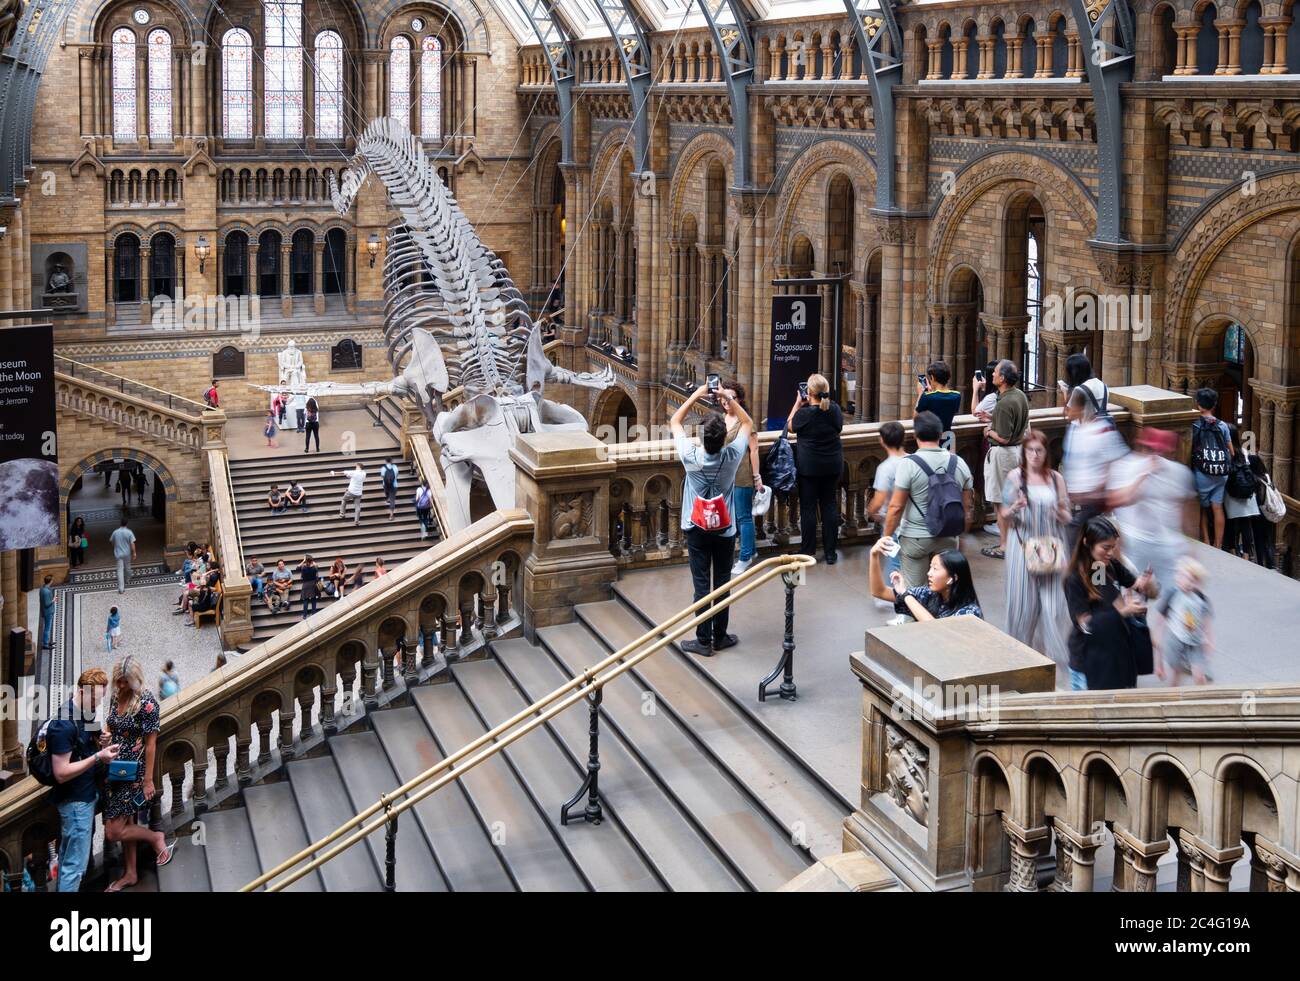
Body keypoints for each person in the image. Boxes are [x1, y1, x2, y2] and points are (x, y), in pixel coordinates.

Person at [672, 382, 752, 657]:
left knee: (701, 585)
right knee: (723, 583)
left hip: (695, 527)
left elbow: (675, 420)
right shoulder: (731, 456)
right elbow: (747, 422)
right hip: (724, 529)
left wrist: (698, 393)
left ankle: (703, 640)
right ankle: (720, 635)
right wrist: (724, 396)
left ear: (703, 438)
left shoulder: (691, 456)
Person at [1000, 430, 1072, 667]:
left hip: (1050, 545)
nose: (1034, 455)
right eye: (1029, 450)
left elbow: (1067, 515)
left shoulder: (1055, 479)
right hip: (1022, 547)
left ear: (1045, 453)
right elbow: (1003, 515)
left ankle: (1046, 656)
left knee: (1053, 606)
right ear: (1024, 452)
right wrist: (1015, 507)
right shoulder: (1014, 478)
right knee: (1023, 605)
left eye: (1038, 450)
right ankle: (1020, 656)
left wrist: (1059, 512)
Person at [102, 655, 174, 891]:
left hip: (133, 773)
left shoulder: (147, 703)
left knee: (113, 832)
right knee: (127, 821)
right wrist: (105, 734)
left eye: (124, 682)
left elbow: (151, 744)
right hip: (115, 769)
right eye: (118, 681)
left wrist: (148, 781)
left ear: (134, 680)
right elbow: (111, 724)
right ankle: (131, 873)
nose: (120, 686)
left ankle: (155, 838)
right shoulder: (116, 695)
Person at [1062, 516, 1158, 691]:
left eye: (1113, 547)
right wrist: (1123, 612)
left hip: (1113, 654)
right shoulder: (1074, 579)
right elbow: (1086, 625)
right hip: (1088, 660)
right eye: (1105, 548)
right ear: (1087, 543)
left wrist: (1146, 584)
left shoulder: (1105, 566)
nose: (1111, 553)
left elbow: (1139, 587)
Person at [884, 411, 974, 590]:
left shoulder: (908, 464)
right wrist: (960, 535)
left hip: (916, 538)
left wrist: (887, 537)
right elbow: (968, 507)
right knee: (945, 593)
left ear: (915, 435)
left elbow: (895, 507)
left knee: (915, 594)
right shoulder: (959, 463)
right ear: (941, 435)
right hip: (948, 536)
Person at [48, 667, 118, 893]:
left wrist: (103, 739)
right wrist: (98, 756)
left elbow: (94, 740)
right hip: (75, 803)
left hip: (86, 795)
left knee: (72, 861)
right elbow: (61, 772)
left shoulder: (85, 713)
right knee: (74, 867)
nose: (98, 705)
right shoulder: (63, 723)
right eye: (96, 699)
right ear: (81, 691)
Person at [1107, 427, 1196, 597]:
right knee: (1133, 596)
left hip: (1167, 545)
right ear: (1143, 447)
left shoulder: (1180, 473)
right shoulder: (1126, 466)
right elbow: (1116, 500)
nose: (1157, 455)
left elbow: (1185, 511)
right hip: (1134, 542)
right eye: (1152, 449)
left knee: (1177, 595)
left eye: (1163, 451)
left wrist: (1190, 545)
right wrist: (1144, 475)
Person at [1061, 366, 1127, 546]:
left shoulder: (1101, 430)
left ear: (1082, 408)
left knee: (1075, 538)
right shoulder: (1076, 429)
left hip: (1094, 500)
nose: (1069, 409)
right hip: (1078, 500)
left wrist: (1100, 487)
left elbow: (1117, 462)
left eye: (1072, 405)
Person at [788, 373, 844, 565]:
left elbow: (789, 426)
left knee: (808, 508)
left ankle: (808, 550)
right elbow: (839, 428)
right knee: (829, 506)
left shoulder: (804, 413)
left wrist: (797, 403)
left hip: (810, 468)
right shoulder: (835, 409)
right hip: (832, 465)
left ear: (809, 392)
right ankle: (830, 553)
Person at [981, 360, 1029, 560]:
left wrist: (989, 430)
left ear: (1002, 379)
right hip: (1017, 451)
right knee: (1013, 500)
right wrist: (992, 417)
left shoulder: (1004, 402)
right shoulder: (1019, 395)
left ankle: (1004, 545)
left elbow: (1005, 437)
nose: (992, 375)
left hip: (1003, 454)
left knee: (1001, 502)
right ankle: (1014, 541)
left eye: (996, 373)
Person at [868, 539, 983, 621]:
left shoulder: (970, 613)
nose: (929, 573)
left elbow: (935, 628)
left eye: (935, 569)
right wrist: (874, 555)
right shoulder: (929, 594)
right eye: (930, 567)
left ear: (953, 578)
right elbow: (879, 592)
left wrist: (906, 595)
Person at [1154, 557, 1214, 686]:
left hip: (1195, 641)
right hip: (1176, 639)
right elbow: (1160, 622)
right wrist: (1159, 663)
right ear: (1177, 577)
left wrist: (1208, 640)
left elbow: (1206, 621)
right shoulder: (1172, 595)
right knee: (1176, 674)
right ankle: (1174, 700)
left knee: (1199, 676)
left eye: (1192, 580)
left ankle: (1203, 699)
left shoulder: (1201, 598)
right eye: (1183, 577)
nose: (1187, 582)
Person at [724, 381, 763, 574]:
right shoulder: (724, 418)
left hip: (742, 474)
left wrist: (756, 477)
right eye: (724, 397)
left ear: (739, 399)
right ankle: (752, 550)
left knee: (744, 517)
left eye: (731, 397)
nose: (727, 401)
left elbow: (754, 449)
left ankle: (745, 557)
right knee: (735, 517)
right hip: (727, 475)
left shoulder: (745, 421)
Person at [867, 422, 908, 603]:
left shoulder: (885, 468)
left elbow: (880, 498)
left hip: (894, 521)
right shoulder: (912, 460)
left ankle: (892, 597)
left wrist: (871, 511)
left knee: (894, 562)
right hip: (912, 520)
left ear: (882, 441)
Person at [1190, 387, 1234, 549]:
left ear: (1198, 404)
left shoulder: (1195, 423)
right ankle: (1218, 544)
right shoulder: (1222, 425)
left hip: (1202, 472)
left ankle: (1206, 541)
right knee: (1217, 507)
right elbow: (1231, 451)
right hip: (1221, 473)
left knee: (1202, 508)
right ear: (1214, 405)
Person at [1223, 422, 1260, 562]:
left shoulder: (1226, 451)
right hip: (1246, 493)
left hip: (1232, 492)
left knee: (1230, 522)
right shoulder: (1244, 452)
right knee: (1246, 524)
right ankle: (1245, 554)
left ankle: (1232, 551)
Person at [915, 361, 962, 441]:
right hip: (947, 438)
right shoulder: (957, 395)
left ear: (932, 377)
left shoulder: (927, 397)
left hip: (930, 439)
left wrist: (920, 394)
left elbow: (916, 417)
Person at [109, 516, 137, 595]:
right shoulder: (129, 532)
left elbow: (111, 541)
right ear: (127, 523)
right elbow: (132, 543)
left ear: (120, 523)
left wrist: (115, 546)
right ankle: (128, 579)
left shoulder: (115, 532)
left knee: (120, 570)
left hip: (118, 554)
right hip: (127, 553)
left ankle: (121, 588)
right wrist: (134, 552)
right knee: (127, 567)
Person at [296, 554, 320, 619]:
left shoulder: (303, 567)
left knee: (305, 600)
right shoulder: (314, 568)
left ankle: (304, 615)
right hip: (313, 584)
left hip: (305, 585)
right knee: (313, 600)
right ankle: (313, 613)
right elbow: (317, 567)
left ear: (305, 560)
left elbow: (297, 568)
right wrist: (312, 562)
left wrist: (303, 561)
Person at [39, 574, 56, 653]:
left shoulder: (42, 589)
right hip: (48, 612)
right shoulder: (46, 591)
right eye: (52, 580)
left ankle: (47, 641)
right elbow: (47, 603)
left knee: (47, 627)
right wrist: (53, 600)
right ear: (50, 581)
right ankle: (45, 644)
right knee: (47, 628)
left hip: (46, 611)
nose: (53, 581)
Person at [381, 457, 400, 522]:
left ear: (385, 461)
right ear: (392, 461)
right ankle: (391, 515)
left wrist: (387, 480)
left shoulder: (383, 468)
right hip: (394, 485)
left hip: (385, 485)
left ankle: (387, 498)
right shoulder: (395, 467)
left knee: (386, 492)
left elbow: (382, 476)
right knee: (392, 500)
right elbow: (397, 475)